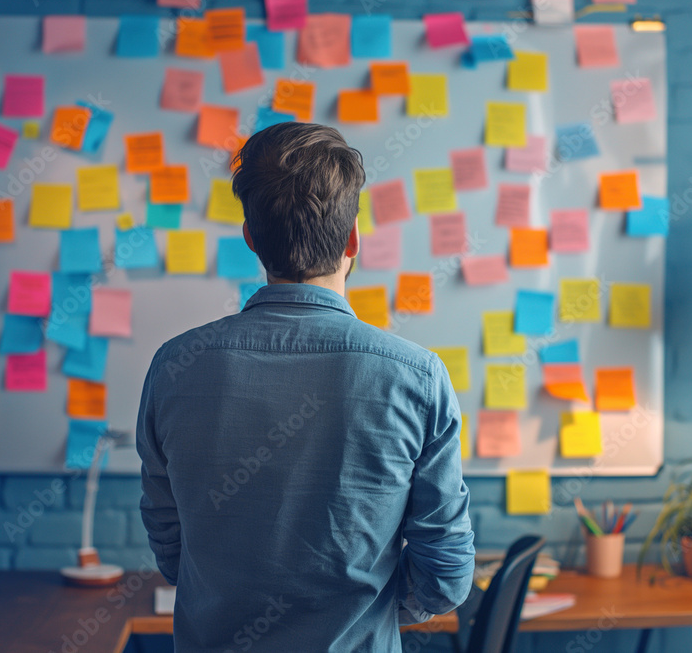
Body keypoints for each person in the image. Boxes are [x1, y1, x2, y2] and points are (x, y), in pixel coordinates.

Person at [137, 122, 475, 652]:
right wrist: (368, 610)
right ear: (353, 239)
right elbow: (446, 574)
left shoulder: (174, 366)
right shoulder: (417, 376)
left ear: (251, 239)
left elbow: (170, 541)